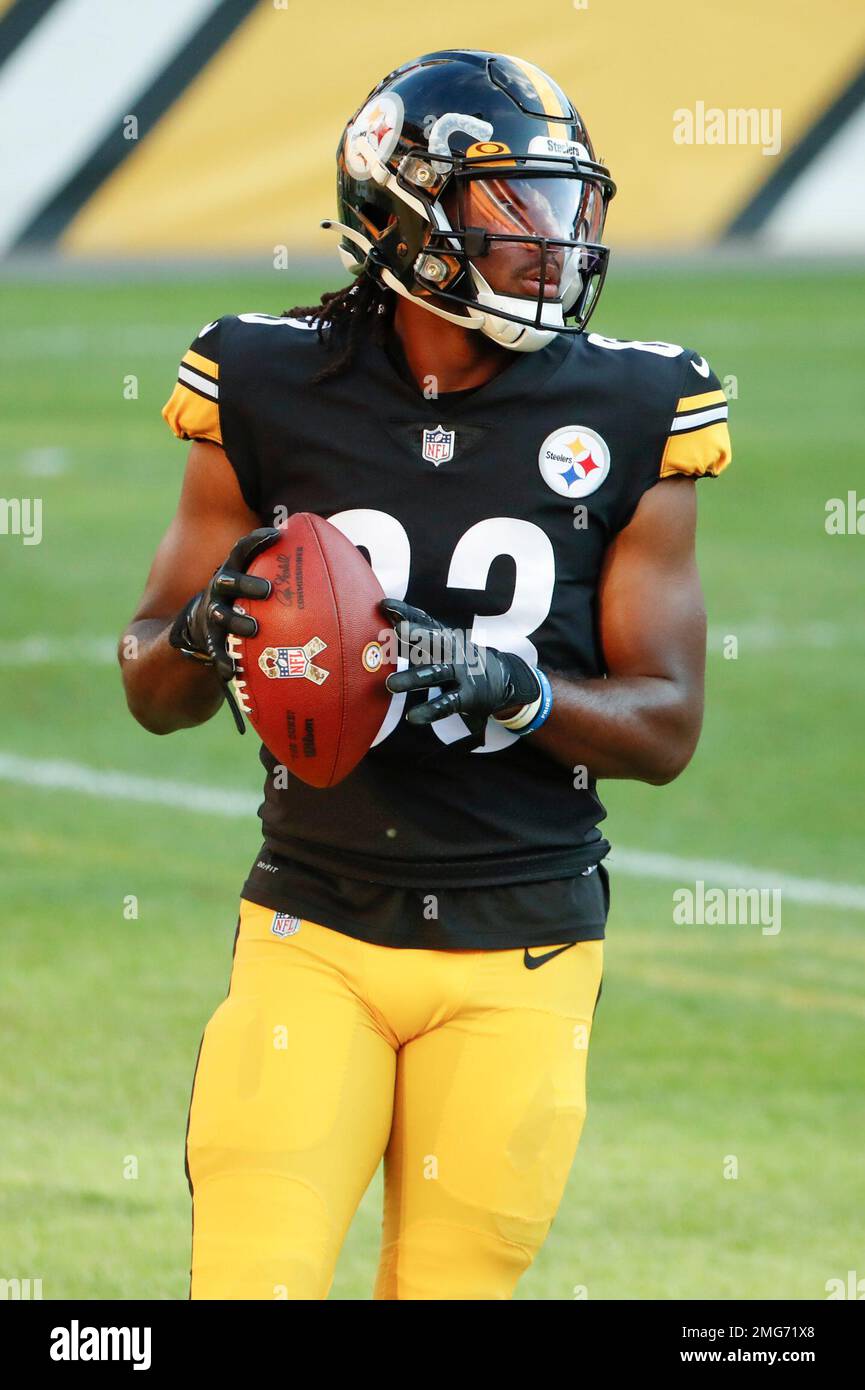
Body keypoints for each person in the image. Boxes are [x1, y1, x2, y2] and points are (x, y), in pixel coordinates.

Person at [119, 49, 731, 1300]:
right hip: (313, 929)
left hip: (525, 946)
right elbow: (151, 686)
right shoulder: (267, 378)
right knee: (251, 1284)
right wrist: (198, 635)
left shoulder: (635, 403)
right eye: (511, 209)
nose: (552, 244)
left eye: (564, 207)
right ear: (404, 214)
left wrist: (514, 685)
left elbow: (666, 727)